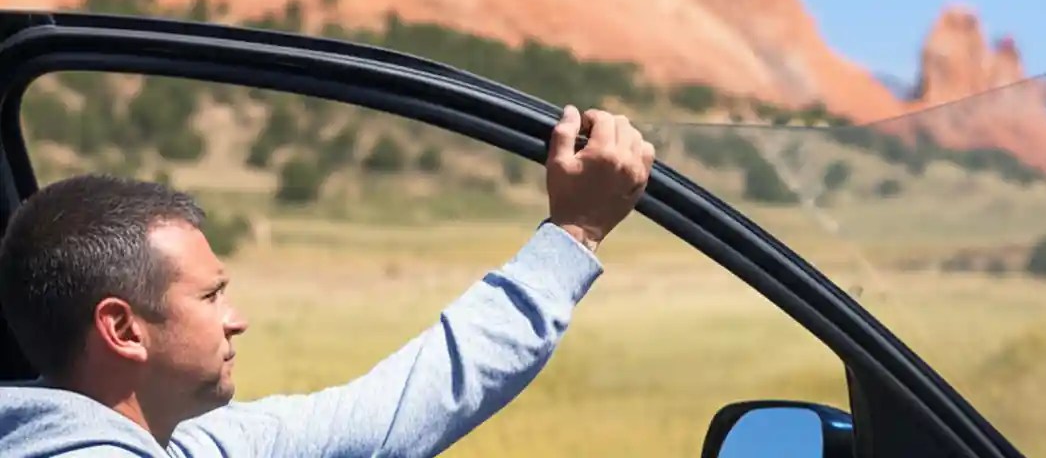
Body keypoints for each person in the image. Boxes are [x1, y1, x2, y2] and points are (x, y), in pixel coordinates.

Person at [0, 105, 655, 456]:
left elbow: (402, 407)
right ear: (121, 328)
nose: (237, 318)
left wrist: (574, 236)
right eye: (210, 295)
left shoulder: (187, 444)